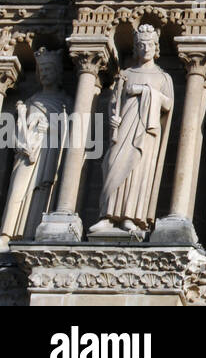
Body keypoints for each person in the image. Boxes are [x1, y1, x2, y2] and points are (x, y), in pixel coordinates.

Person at [89, 25, 174, 237]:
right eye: (141, 45)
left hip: (145, 132)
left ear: (156, 48)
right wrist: (113, 117)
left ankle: (130, 216)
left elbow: (168, 104)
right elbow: (115, 102)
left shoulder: (163, 77)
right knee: (112, 164)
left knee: (137, 170)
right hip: (123, 128)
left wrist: (145, 91)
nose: (145, 48)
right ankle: (108, 215)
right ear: (136, 48)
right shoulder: (125, 75)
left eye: (149, 44)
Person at [0, 48, 70, 246]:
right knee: (17, 190)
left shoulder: (65, 101)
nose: (45, 74)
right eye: (42, 70)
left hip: (49, 152)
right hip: (26, 152)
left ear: (58, 73)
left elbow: (70, 133)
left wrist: (49, 126)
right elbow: (16, 133)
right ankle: (7, 233)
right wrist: (22, 118)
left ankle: (31, 232)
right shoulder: (32, 100)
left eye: (49, 69)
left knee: (41, 191)